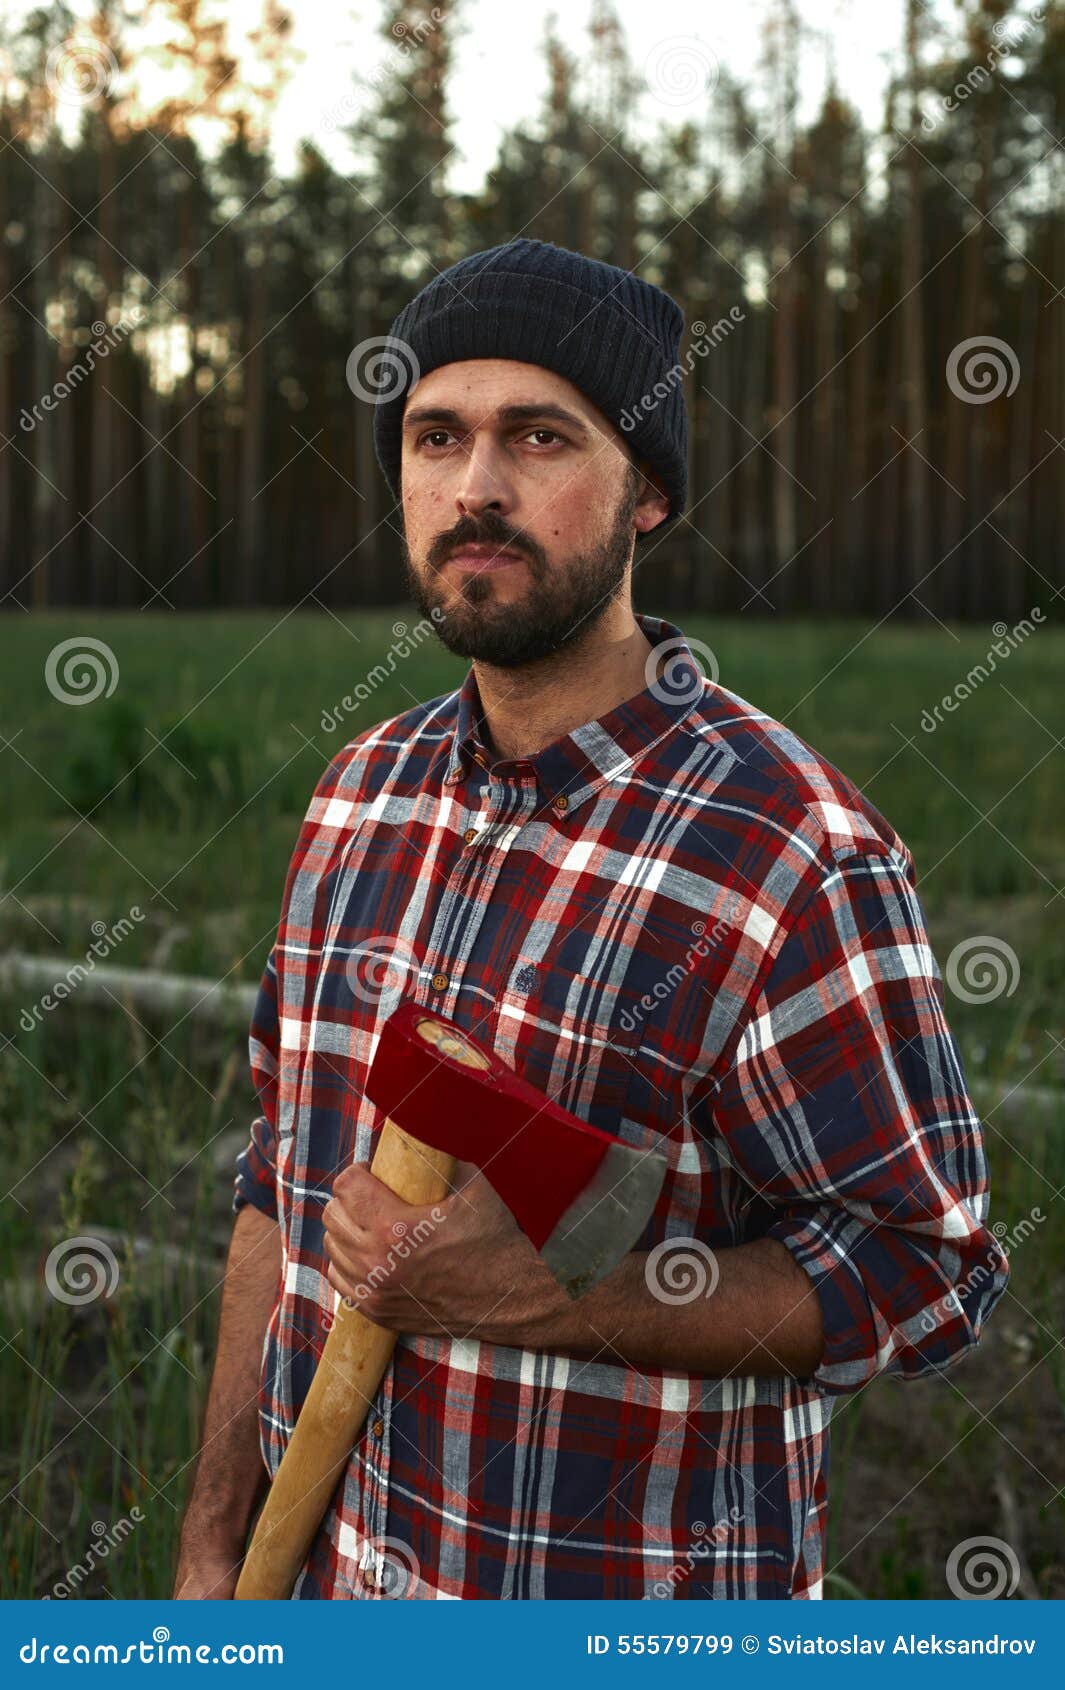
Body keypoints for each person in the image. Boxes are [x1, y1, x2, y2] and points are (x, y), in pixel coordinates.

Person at [174, 238, 1007, 1601]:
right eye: (434, 437)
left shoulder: (787, 849)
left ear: (648, 493)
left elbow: (925, 1270)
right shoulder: (357, 796)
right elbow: (279, 1176)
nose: (476, 487)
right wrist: (215, 1537)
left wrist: (569, 1297)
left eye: (538, 437)